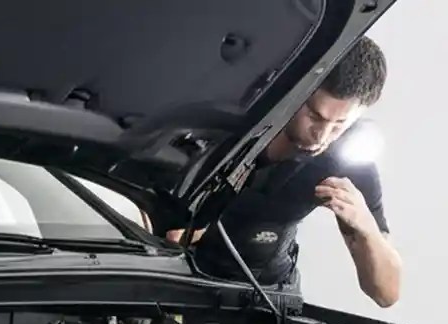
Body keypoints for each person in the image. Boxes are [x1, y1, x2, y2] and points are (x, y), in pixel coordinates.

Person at [172, 37, 401, 308]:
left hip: (273, 301)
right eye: (315, 116)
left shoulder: (346, 159)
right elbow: (167, 231)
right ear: (296, 88)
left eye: (340, 123)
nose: (322, 135)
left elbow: (386, 293)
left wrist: (366, 228)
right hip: (186, 286)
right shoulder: (228, 125)